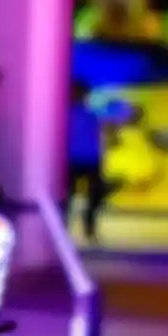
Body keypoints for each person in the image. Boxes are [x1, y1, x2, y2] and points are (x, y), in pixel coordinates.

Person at [64, 82, 106, 242]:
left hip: (90, 159)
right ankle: (64, 227)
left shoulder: (90, 115)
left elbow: (97, 138)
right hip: (73, 159)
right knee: (68, 196)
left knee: (95, 195)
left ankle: (89, 227)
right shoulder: (66, 114)